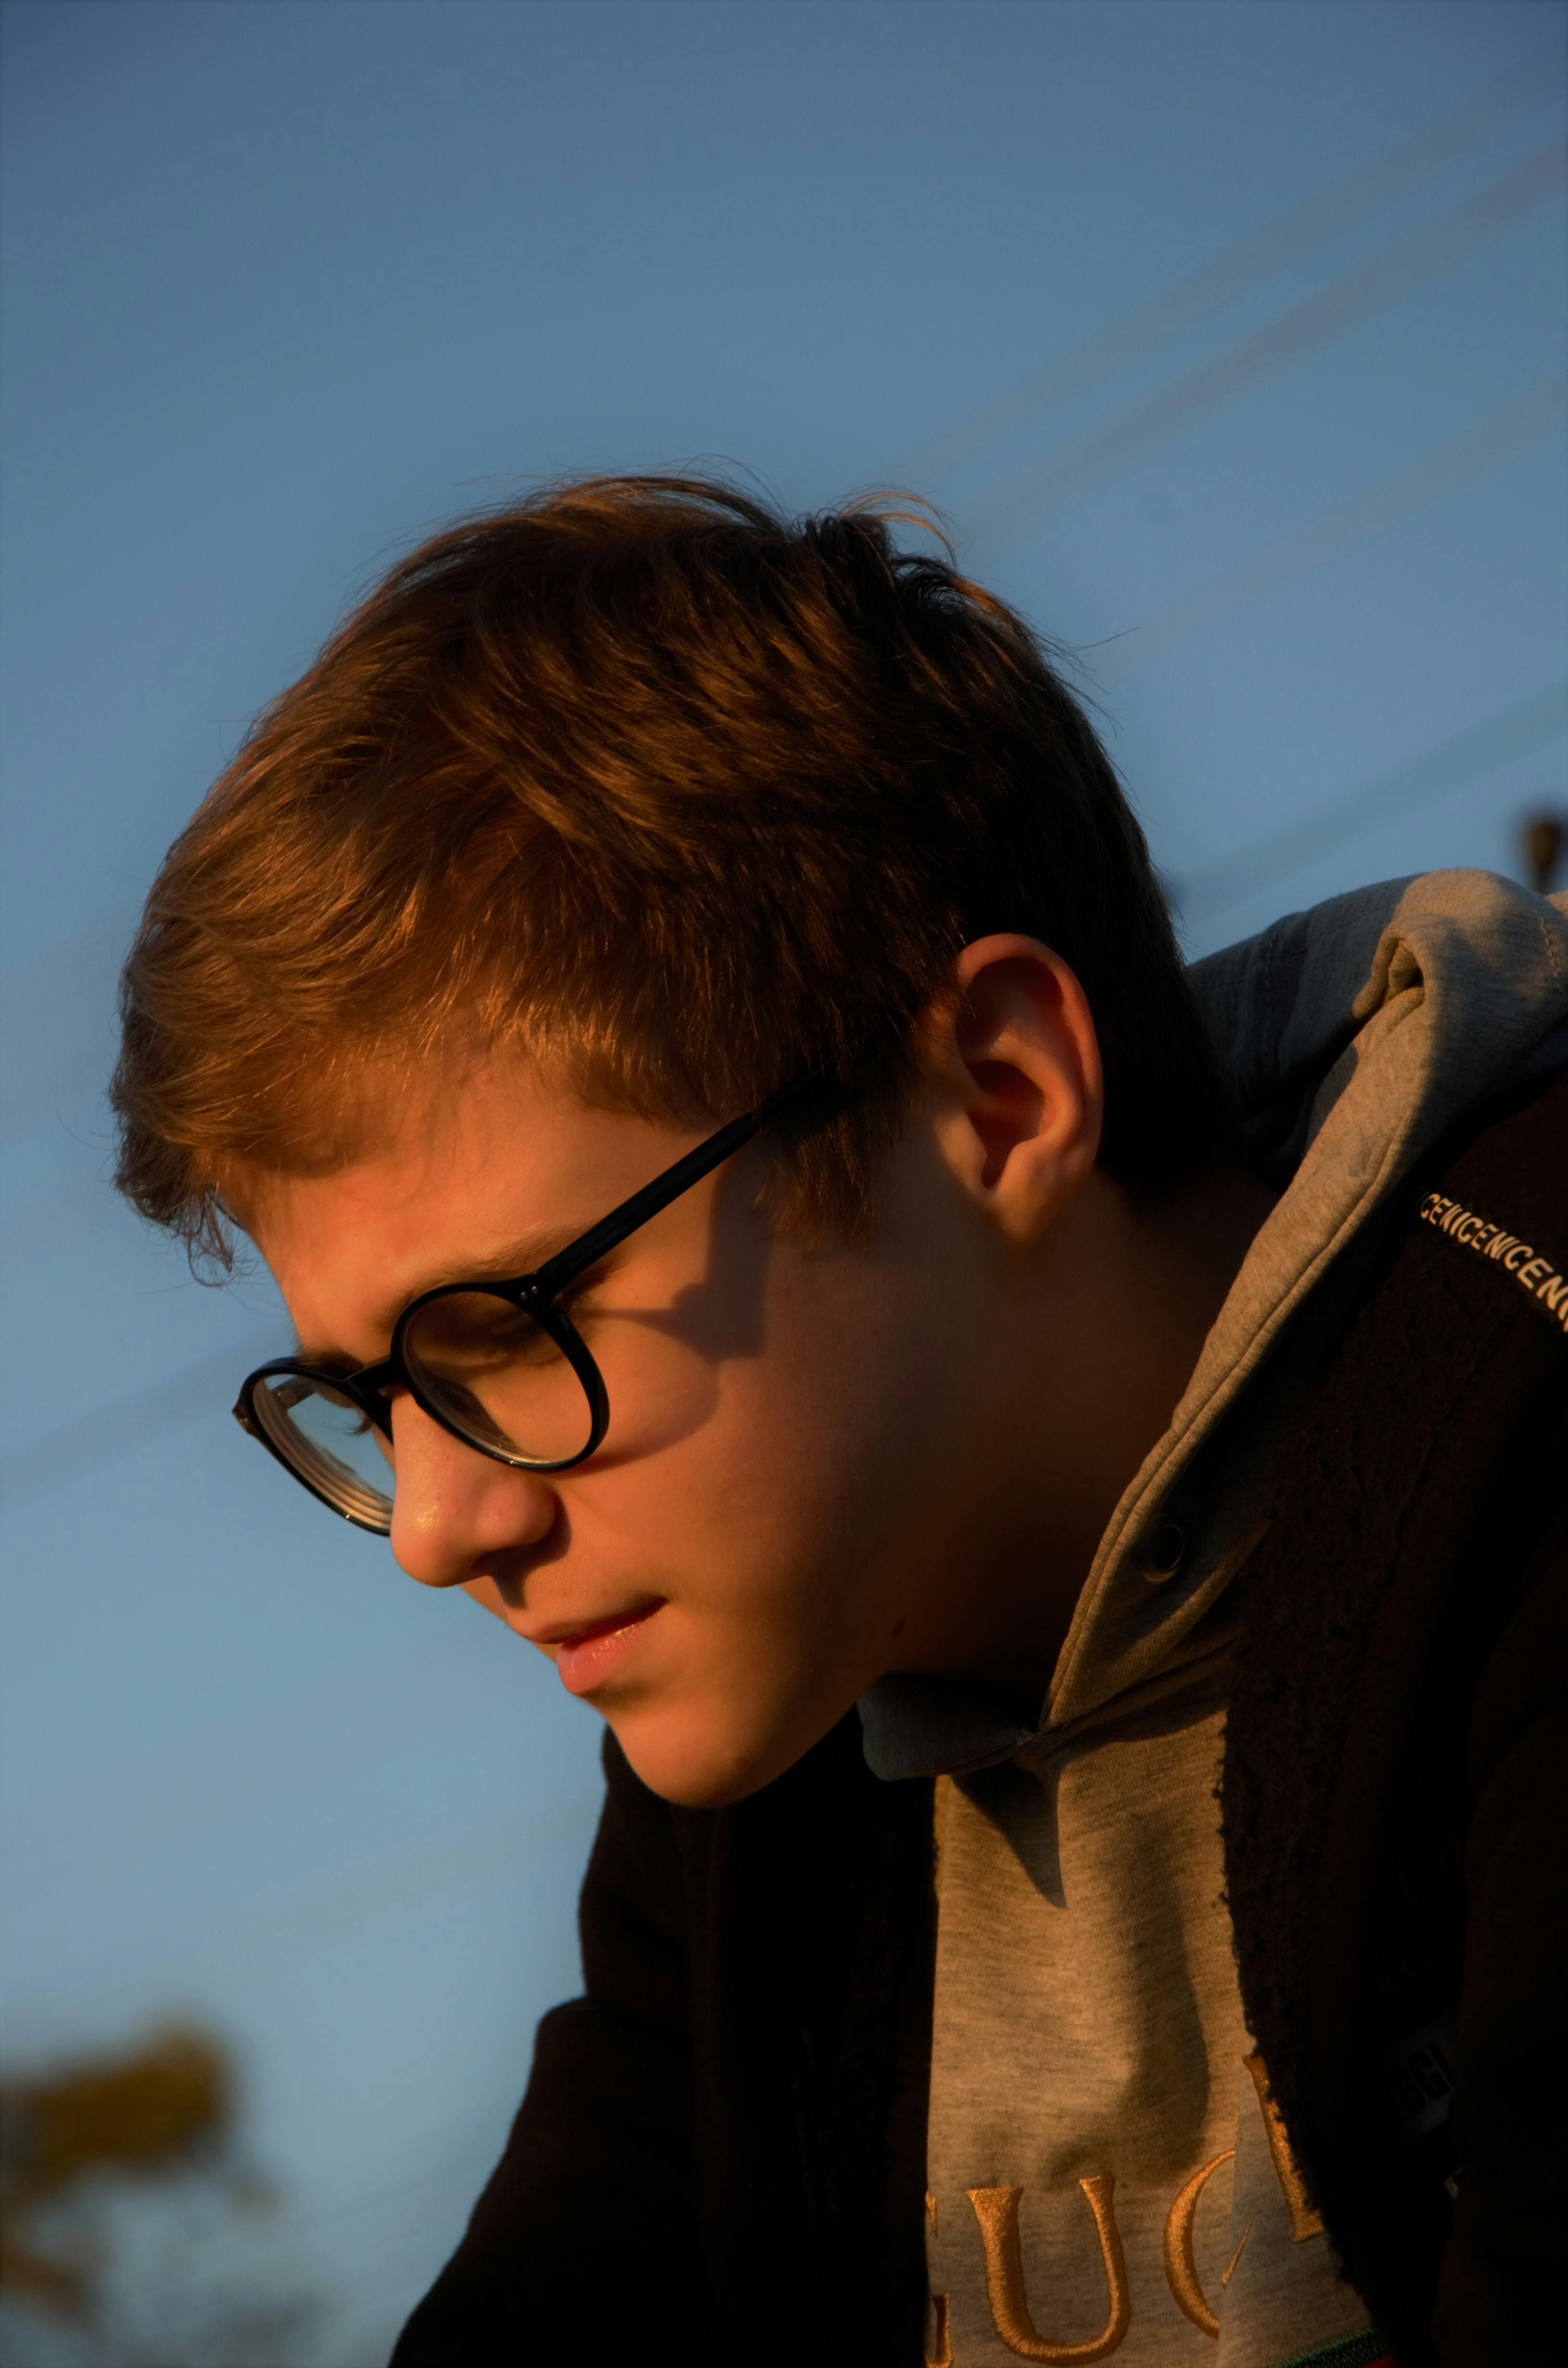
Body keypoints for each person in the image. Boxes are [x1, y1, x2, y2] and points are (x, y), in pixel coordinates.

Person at [110, 477, 1566, 2368]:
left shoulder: (1523, 1432)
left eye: (509, 1327)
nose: (440, 1525)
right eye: (377, 1398)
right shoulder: (773, 1699)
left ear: (999, 1094)